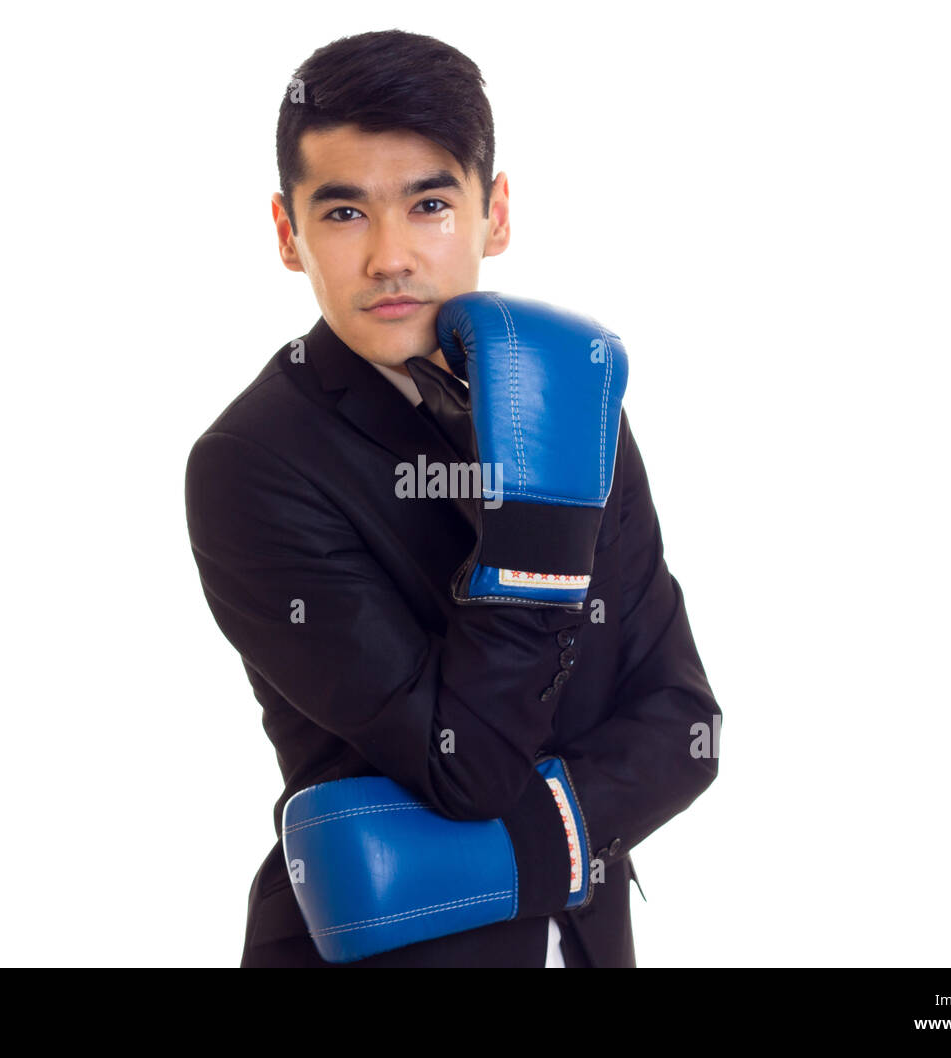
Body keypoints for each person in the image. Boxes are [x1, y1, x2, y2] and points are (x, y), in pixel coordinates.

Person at [184, 28, 722, 967]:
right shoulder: (251, 462)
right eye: (344, 213)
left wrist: (492, 855)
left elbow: (684, 726)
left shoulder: (576, 395)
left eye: (429, 203)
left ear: (495, 212)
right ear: (287, 232)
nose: (390, 256)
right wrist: (541, 534)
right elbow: (462, 764)